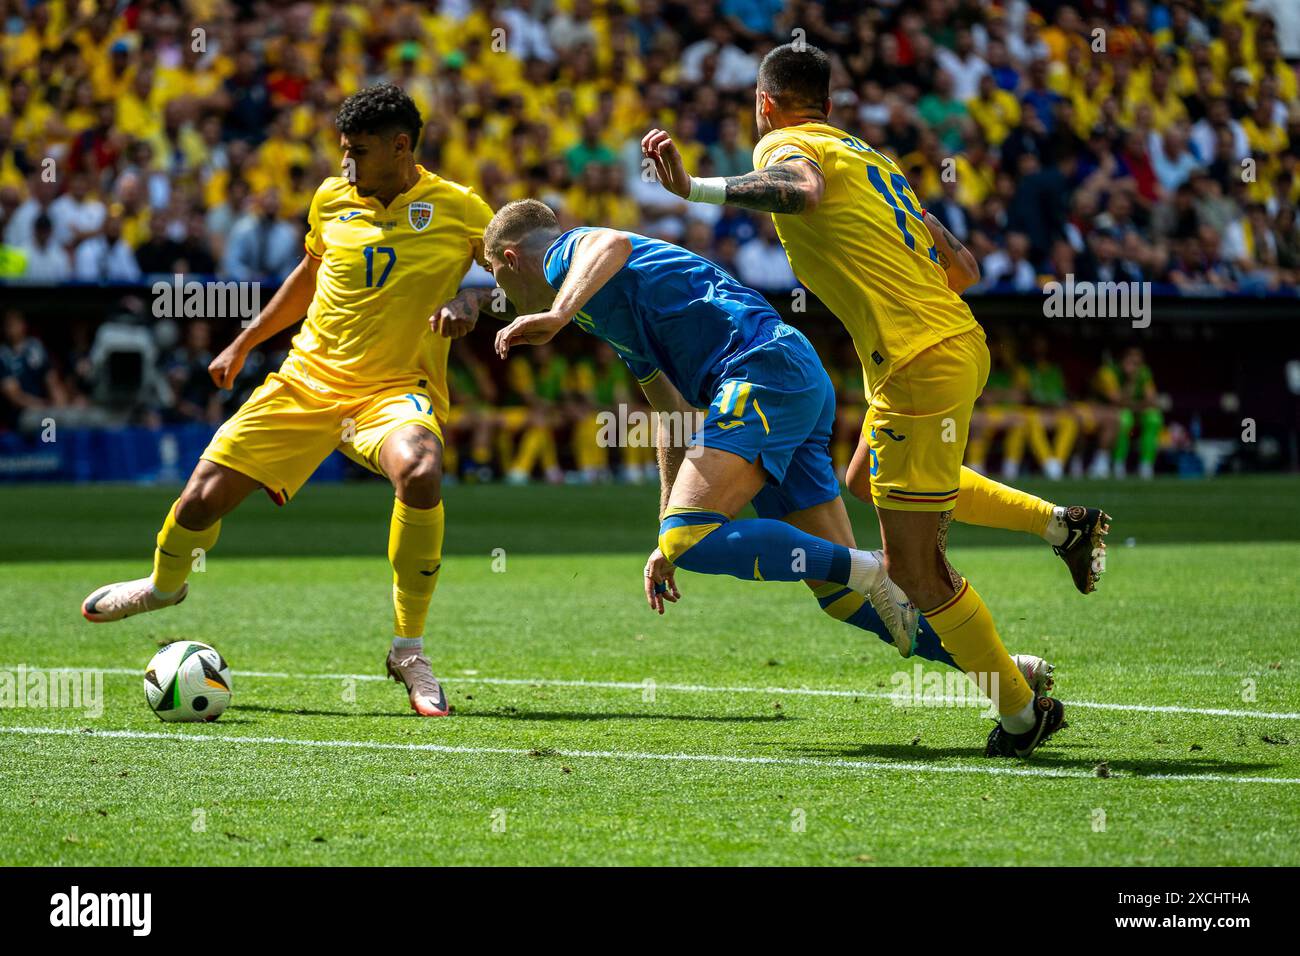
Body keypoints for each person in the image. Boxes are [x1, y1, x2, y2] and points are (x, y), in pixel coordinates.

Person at [641, 44, 1112, 757]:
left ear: (766, 103)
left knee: (914, 571)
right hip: (948, 346)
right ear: (829, 103)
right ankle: (1062, 528)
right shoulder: (873, 160)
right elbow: (964, 267)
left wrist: (695, 189)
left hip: (919, 361)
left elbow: (798, 192)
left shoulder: (788, 143)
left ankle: (1021, 715)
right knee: (862, 480)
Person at [469, 199, 1055, 720]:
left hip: (760, 373)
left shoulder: (567, 260)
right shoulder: (605, 305)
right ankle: (1005, 677)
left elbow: (610, 241)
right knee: (843, 597)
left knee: (706, 541)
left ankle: (875, 564)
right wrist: (663, 530)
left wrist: (555, 315)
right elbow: (671, 414)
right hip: (789, 377)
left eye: (493, 271)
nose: (499, 287)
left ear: (512, 257)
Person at [80, 85, 494, 718]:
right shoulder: (331, 198)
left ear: (401, 146)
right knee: (199, 500)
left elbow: (519, 277)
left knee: (421, 469)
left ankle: (408, 649)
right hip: (303, 382)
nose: (345, 163)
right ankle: (164, 589)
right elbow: (308, 276)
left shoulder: (460, 208)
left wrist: (470, 303)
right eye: (342, 150)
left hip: (391, 391)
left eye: (356, 152)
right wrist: (245, 341)